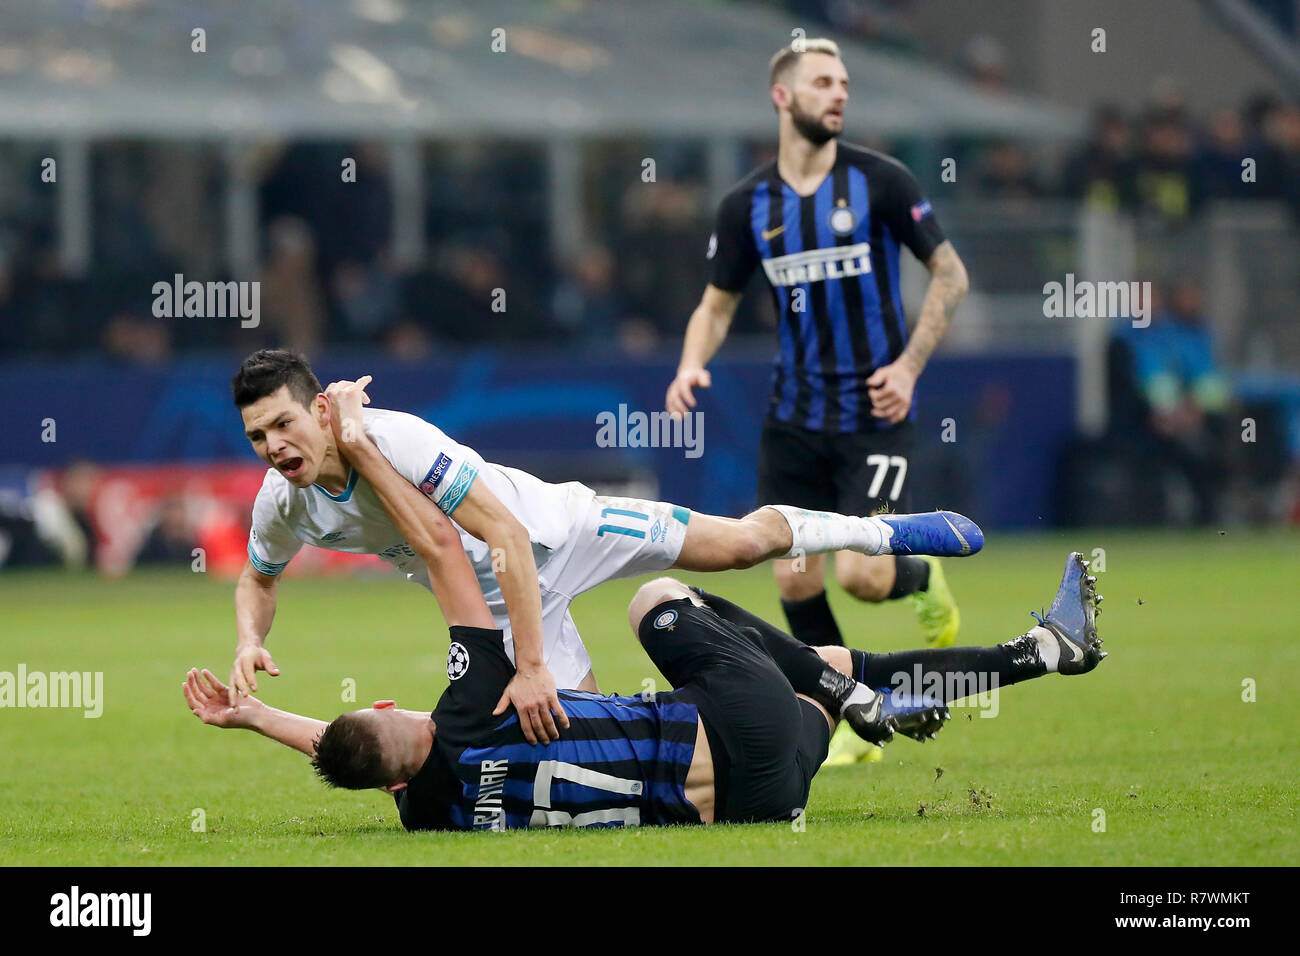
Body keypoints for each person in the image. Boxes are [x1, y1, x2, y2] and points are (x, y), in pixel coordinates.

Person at [229, 350, 983, 745]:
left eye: (284, 424)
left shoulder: (396, 439)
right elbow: (258, 579)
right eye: (258, 435)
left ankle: (884, 532)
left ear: (322, 409)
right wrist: (246, 641)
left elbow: (507, 536)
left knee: (740, 547)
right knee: (578, 737)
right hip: (498, 604)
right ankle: (836, 705)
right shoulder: (281, 502)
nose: (273, 446)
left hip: (563, 532)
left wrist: (528, 667)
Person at [183, 551, 1105, 830]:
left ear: (390, 788)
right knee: (659, 600)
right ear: (388, 708)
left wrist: (257, 716)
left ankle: (1044, 650)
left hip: (759, 802)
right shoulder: (465, 714)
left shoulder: (430, 815)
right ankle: (848, 691)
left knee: (843, 673)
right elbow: (449, 569)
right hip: (723, 730)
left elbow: (340, 751)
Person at [664, 38, 970, 764]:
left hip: (874, 415)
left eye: (845, 83)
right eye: (824, 82)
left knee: (863, 575)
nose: (839, 94)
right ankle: (845, 716)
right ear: (783, 96)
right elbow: (715, 304)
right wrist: (688, 365)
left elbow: (951, 276)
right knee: (792, 573)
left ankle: (922, 576)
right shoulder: (748, 205)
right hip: (794, 419)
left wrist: (909, 367)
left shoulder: (882, 181)